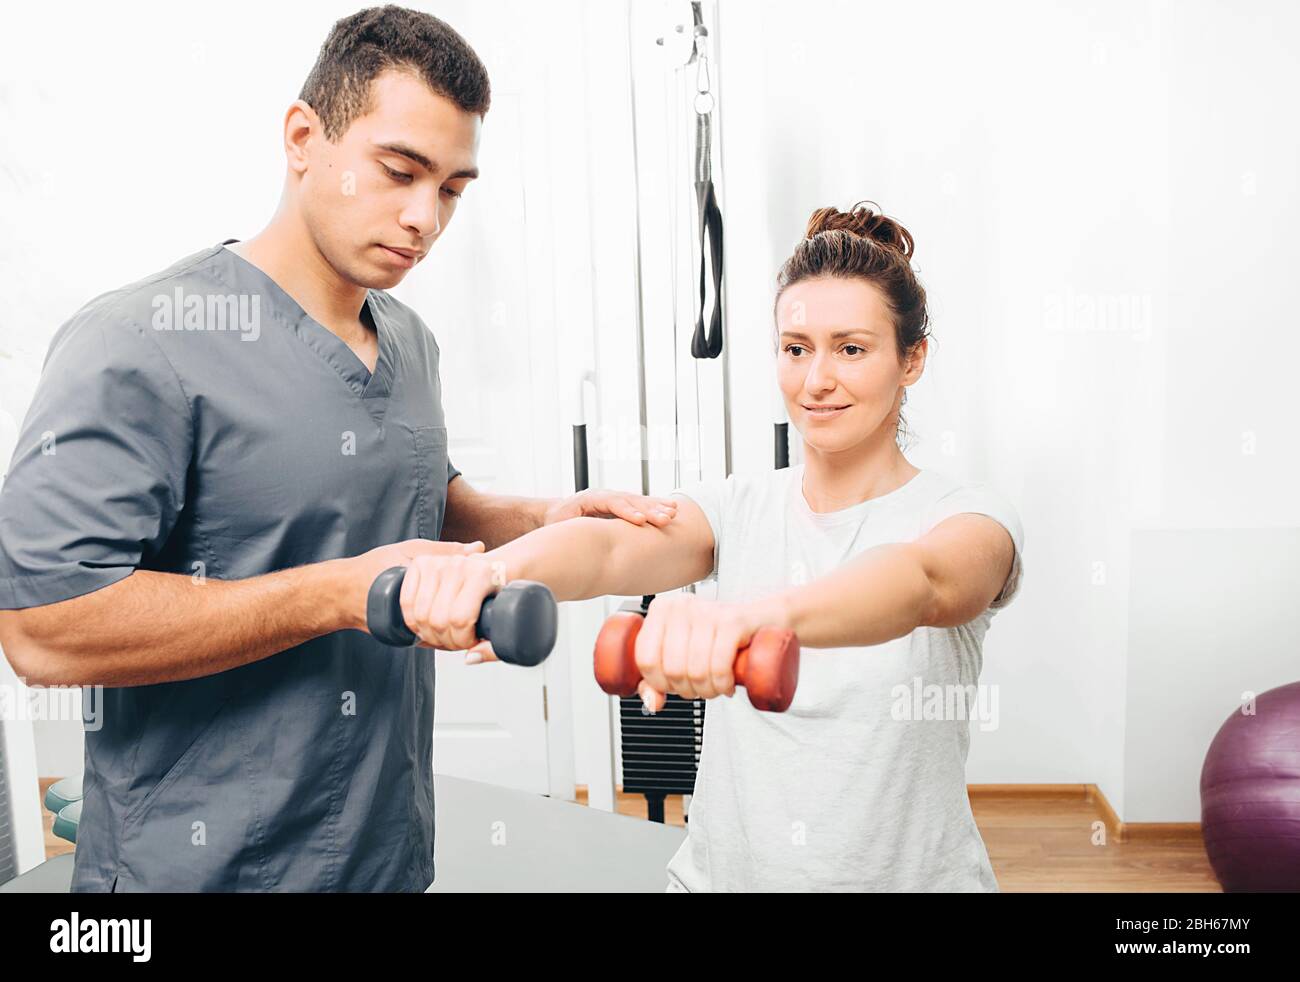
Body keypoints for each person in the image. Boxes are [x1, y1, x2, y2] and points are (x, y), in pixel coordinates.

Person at [0, 5, 676, 892]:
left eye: (452, 190)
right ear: (302, 138)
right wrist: (337, 595)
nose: (424, 217)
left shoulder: (410, 340)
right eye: (399, 172)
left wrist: (546, 516)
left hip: (382, 857)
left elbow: (409, 495)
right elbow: (44, 629)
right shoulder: (140, 342)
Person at [398, 202, 1025, 892]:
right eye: (795, 348)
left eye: (851, 349)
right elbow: (607, 550)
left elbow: (921, 582)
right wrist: (495, 569)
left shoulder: (966, 517)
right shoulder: (737, 506)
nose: (816, 380)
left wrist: (750, 619)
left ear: (912, 360)